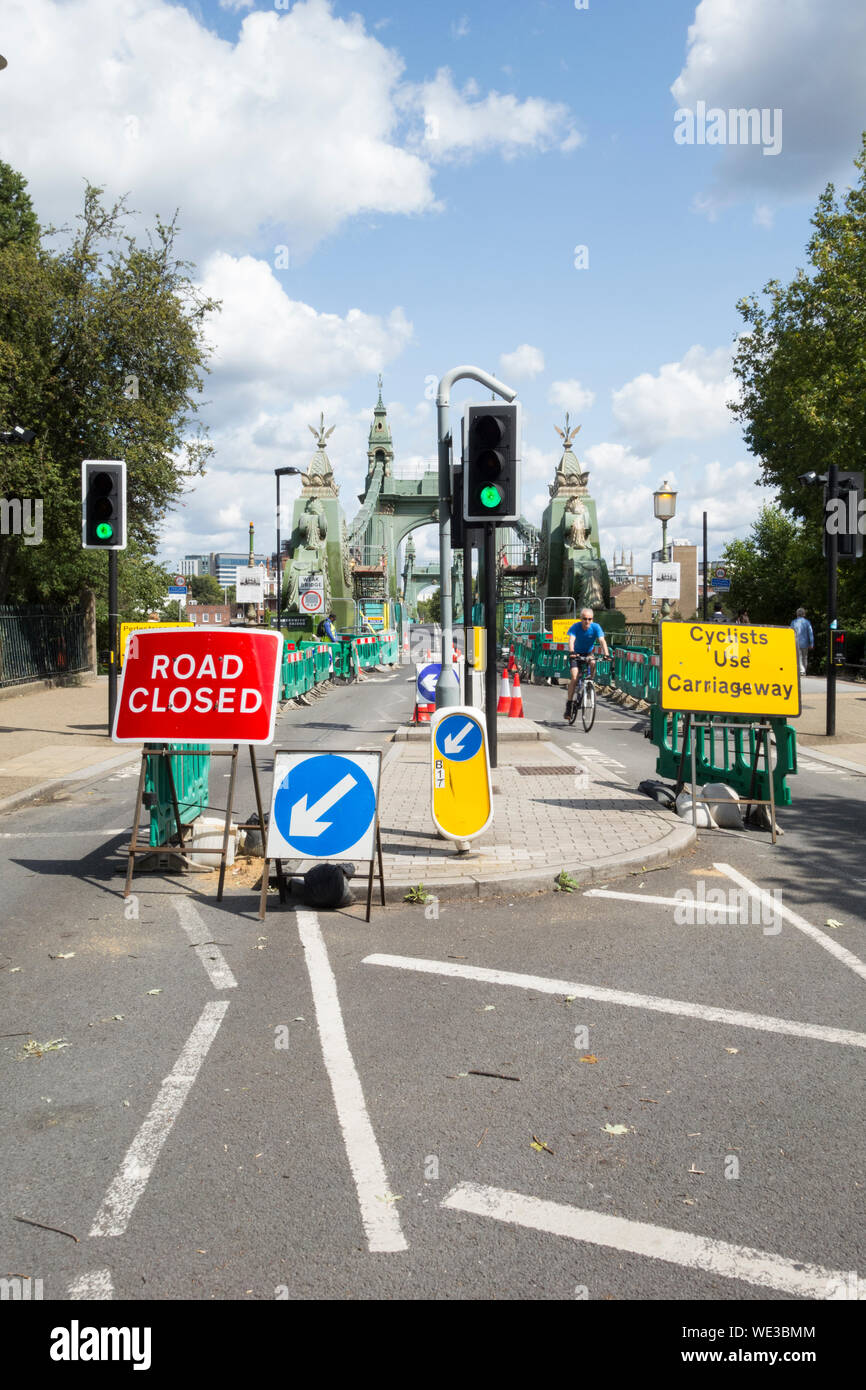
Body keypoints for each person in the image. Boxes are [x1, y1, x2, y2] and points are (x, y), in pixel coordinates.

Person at [565, 608, 610, 721]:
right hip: (576, 654)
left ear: (592, 619)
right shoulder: (575, 627)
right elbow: (571, 640)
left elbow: (602, 640)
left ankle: (590, 682)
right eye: (585, 619)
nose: (587, 621)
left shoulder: (596, 627)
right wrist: (572, 651)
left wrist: (607, 654)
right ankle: (569, 704)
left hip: (588, 653)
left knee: (593, 662)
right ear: (581, 619)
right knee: (575, 677)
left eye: (590, 619)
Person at [790, 607, 814, 675]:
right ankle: (804, 670)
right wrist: (811, 643)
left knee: (799, 657)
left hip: (796, 642)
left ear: (797, 614)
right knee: (805, 657)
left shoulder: (793, 622)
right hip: (805, 643)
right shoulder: (807, 622)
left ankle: (802, 670)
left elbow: (791, 632)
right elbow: (810, 633)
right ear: (804, 614)